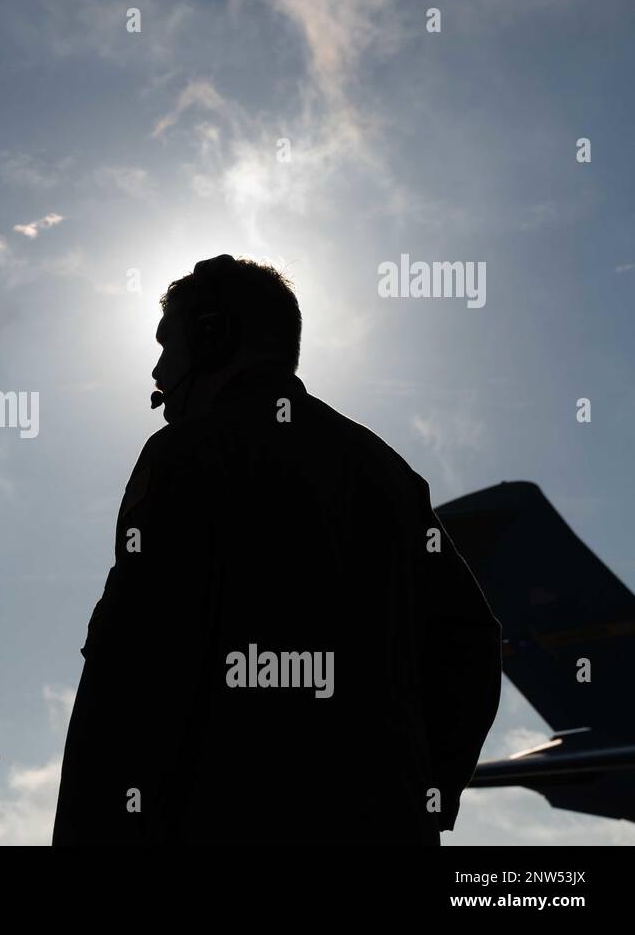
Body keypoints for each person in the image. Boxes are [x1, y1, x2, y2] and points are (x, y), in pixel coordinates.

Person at [52, 254, 502, 845]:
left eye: (168, 345)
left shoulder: (187, 456)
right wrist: (418, 799)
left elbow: (132, 670)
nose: (158, 371)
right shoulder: (390, 474)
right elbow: (469, 641)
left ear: (213, 337)